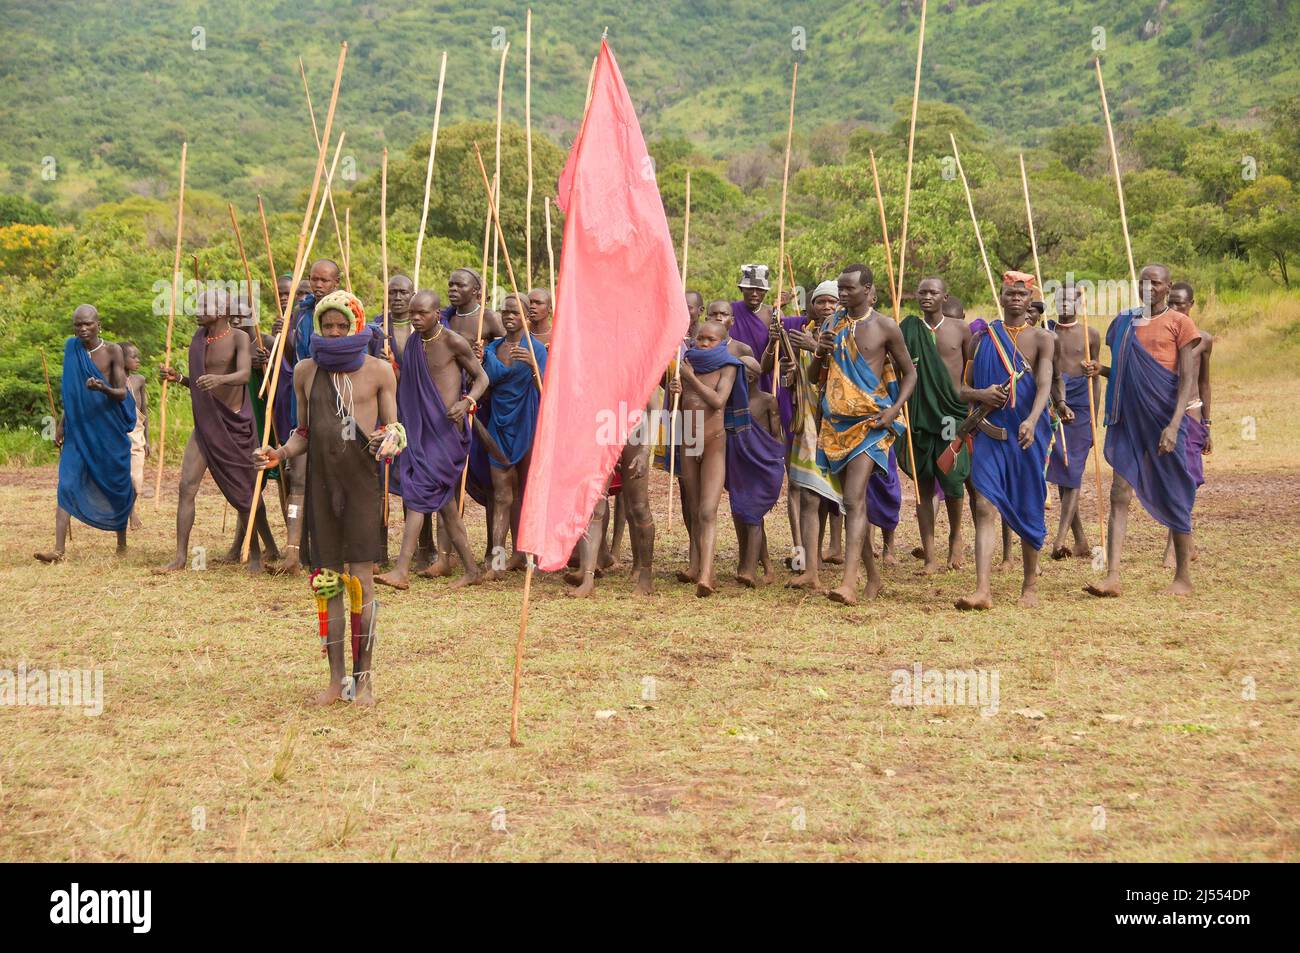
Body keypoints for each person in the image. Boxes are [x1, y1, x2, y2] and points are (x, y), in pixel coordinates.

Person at [253, 290, 402, 706]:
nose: (335, 333)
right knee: (328, 583)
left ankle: (364, 680)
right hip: (322, 486)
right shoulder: (305, 371)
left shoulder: (378, 372)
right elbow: (303, 433)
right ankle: (337, 681)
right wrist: (278, 454)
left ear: (356, 325)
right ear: (318, 328)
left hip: (360, 485)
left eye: (342, 325)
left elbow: (396, 429)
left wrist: (386, 439)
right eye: (327, 326)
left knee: (362, 583)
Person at [1085, 264, 1203, 598]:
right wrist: (1101, 369)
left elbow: (1186, 379)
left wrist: (1175, 424)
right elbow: (1125, 371)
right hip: (1129, 420)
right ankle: (1112, 576)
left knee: (1175, 491)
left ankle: (1183, 578)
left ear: (1168, 288)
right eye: (1142, 283)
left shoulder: (1180, 323)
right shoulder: (1125, 322)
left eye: (1155, 283)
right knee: (1118, 493)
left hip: (1165, 421)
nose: (1148, 288)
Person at [811, 264, 916, 605]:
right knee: (852, 504)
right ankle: (872, 577)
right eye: (840, 288)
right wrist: (820, 350)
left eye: (848, 289)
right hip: (835, 424)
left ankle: (848, 584)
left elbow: (910, 374)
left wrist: (894, 409)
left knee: (854, 499)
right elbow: (816, 376)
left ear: (867, 289)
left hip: (871, 425)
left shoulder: (885, 326)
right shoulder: (831, 324)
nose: (842, 294)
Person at [154, 288, 278, 574]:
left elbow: (245, 375)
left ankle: (257, 554)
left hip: (235, 425)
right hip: (205, 426)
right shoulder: (198, 339)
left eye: (205, 305)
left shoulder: (239, 337)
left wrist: (219, 378)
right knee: (186, 487)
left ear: (222, 311)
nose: (198, 309)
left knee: (247, 492)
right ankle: (180, 557)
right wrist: (180, 378)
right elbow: (201, 384)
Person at [376, 290, 489, 590]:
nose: (415, 318)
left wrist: (468, 402)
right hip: (420, 431)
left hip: (447, 432)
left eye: (422, 313)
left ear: (437, 313)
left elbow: (482, 378)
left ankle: (401, 570)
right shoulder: (414, 342)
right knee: (446, 506)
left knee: (419, 493)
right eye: (413, 313)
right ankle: (471, 569)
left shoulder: (453, 341)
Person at [955, 272, 1054, 610]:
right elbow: (960, 388)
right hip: (988, 433)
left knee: (1029, 502)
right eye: (1009, 293)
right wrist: (981, 393)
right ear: (1001, 295)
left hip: (1027, 435)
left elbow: (1044, 385)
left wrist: (1032, 419)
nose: (1015, 298)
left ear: (1030, 300)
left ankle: (1029, 585)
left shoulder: (1042, 338)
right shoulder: (981, 338)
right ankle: (982, 590)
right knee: (983, 506)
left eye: (1021, 294)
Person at [35, 305, 136, 562]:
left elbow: (122, 393)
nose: (82, 329)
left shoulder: (113, 351)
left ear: (98, 324)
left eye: (87, 324)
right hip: (78, 430)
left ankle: (121, 543)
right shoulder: (71, 348)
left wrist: (103, 388)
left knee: (115, 483)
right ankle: (58, 551)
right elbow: (73, 396)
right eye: (78, 324)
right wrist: (61, 424)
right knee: (66, 482)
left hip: (107, 429)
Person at [898, 277, 972, 574]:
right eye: (922, 292)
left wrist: (971, 412)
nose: (927, 297)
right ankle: (929, 556)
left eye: (933, 292)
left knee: (953, 480)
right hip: (918, 414)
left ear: (945, 296)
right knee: (923, 486)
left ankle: (956, 536)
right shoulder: (906, 330)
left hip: (950, 416)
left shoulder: (961, 330)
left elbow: (969, 376)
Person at [474, 293, 547, 577]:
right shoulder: (491, 348)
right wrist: (477, 362)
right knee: (502, 495)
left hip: (528, 424)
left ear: (527, 316)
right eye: (505, 312)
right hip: (499, 425)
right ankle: (499, 560)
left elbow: (547, 392)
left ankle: (532, 556)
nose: (508, 317)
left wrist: (532, 366)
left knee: (529, 493)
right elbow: (484, 386)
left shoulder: (537, 349)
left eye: (515, 312)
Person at [669, 319, 739, 597]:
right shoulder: (686, 362)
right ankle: (694, 565)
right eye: (700, 339)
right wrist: (676, 389)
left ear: (722, 342)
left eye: (711, 340)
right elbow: (681, 401)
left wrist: (690, 380)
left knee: (708, 510)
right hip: (688, 440)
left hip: (713, 443)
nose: (704, 344)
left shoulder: (729, 365)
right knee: (694, 507)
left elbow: (718, 401)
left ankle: (707, 575)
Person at [785, 280, 843, 590]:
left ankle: (856, 571)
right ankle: (809, 566)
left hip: (840, 426)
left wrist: (815, 348)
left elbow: (848, 368)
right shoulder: (804, 332)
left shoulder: (846, 333)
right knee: (807, 494)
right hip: (808, 423)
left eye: (832, 303)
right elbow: (801, 377)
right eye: (821, 302)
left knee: (846, 499)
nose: (827, 308)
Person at [1045, 284, 1102, 559]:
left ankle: (1058, 540)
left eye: (1070, 300)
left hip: (1081, 407)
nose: (1065, 304)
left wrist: (1094, 418)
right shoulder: (1047, 331)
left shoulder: (1091, 334)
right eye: (1060, 299)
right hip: (1054, 404)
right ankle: (1079, 540)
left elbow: (1096, 379)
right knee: (1064, 472)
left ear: (1079, 302)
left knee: (1074, 470)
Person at [1162, 280, 1211, 568]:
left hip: (1191, 415)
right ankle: (1185, 542)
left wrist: (1208, 425)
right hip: (1167, 415)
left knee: (1188, 479)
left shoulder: (1204, 339)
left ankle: (1175, 547)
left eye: (1181, 303)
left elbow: (1204, 383)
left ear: (1191, 304)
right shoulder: (1163, 336)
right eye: (1171, 303)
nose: (1176, 308)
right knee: (1171, 478)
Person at [728, 357, 785, 586]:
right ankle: (753, 565)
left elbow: (776, 436)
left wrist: (775, 465)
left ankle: (750, 570)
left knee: (752, 517)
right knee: (741, 513)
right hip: (738, 466)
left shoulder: (767, 401)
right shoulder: (731, 403)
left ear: (749, 377)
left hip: (760, 467)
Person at [121, 342, 149, 530]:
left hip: (137, 436)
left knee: (136, 480)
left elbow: (144, 411)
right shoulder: (111, 381)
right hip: (118, 435)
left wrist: (149, 440)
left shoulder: (139, 380)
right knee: (122, 478)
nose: (137, 360)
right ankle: (129, 513)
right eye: (133, 357)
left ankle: (129, 508)